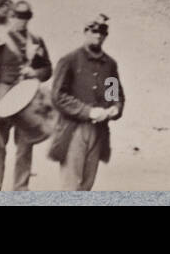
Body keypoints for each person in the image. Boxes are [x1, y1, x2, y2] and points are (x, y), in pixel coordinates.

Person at [0, 0, 53, 191]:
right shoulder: (1, 40)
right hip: (4, 95)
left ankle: (20, 189)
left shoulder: (36, 41)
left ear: (29, 19)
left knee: (25, 145)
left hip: (27, 98)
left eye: (25, 17)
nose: (21, 21)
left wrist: (36, 73)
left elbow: (48, 69)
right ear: (11, 16)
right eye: (17, 16)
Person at [48, 14, 124, 190]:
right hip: (74, 129)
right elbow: (58, 95)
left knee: (87, 184)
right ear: (85, 32)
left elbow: (114, 94)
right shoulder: (70, 61)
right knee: (71, 185)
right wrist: (87, 111)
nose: (98, 36)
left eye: (102, 32)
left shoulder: (109, 65)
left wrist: (114, 108)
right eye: (94, 31)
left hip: (99, 131)